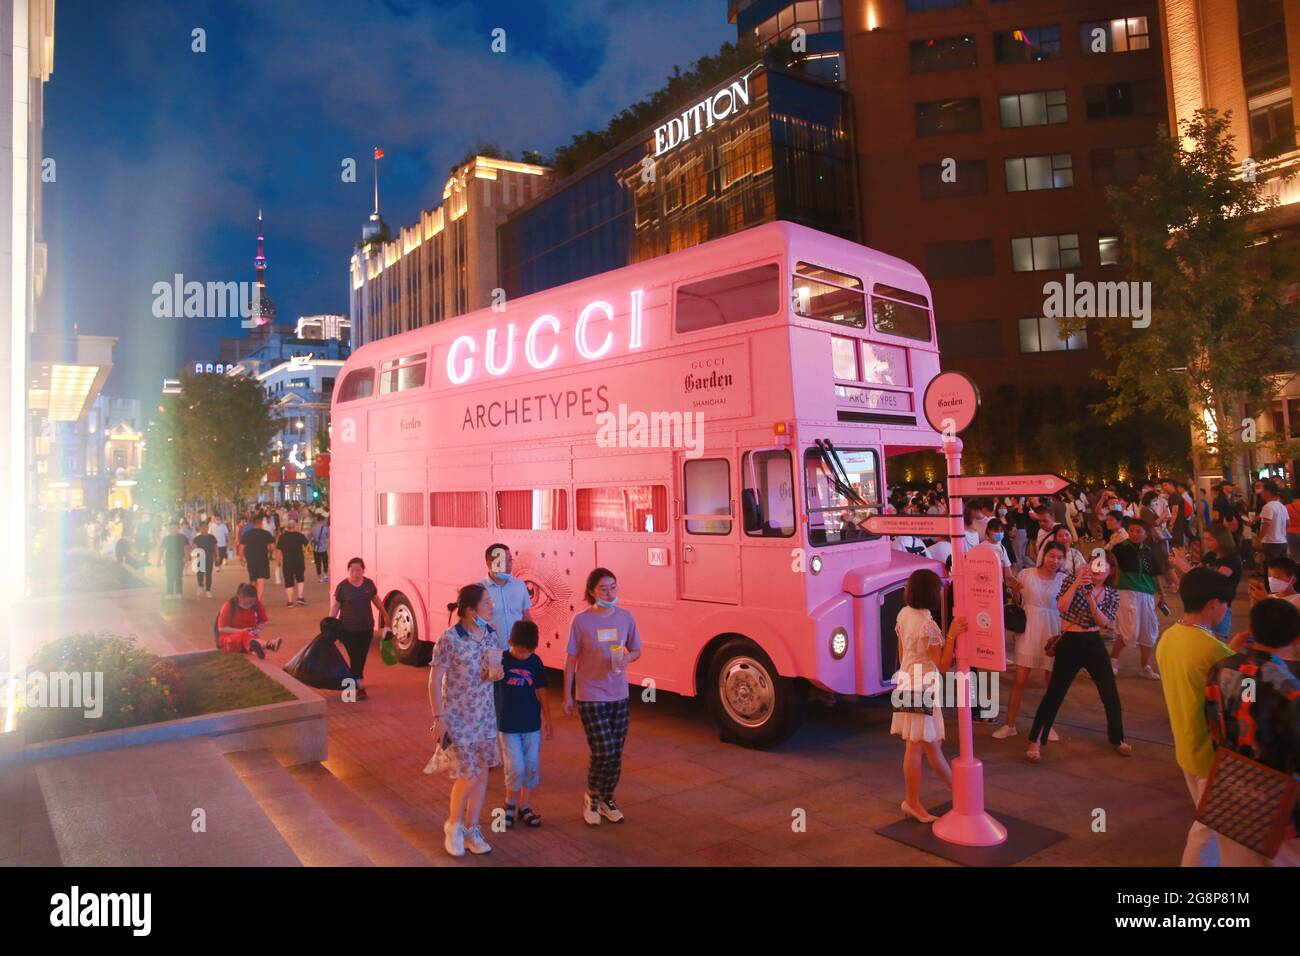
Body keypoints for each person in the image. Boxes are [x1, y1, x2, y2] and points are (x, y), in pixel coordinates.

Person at [1205, 597, 1300, 866]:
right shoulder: (1289, 688)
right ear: (1296, 638)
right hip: (1279, 806)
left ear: (1251, 629)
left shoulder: (1219, 669)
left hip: (1230, 790)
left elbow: (1214, 726)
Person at [1154, 566, 1236, 867]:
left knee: (1211, 825)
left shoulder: (1169, 637)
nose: (1226, 610)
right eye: (1226, 604)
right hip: (1210, 753)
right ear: (1213, 603)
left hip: (1185, 745)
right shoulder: (1214, 652)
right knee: (1207, 830)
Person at [1026, 550, 1132, 762]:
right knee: (1054, 694)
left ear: (1110, 571)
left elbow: (1104, 622)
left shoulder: (1111, 593)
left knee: (1109, 693)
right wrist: (1077, 585)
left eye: (1103, 566)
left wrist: (1090, 597)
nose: (1098, 569)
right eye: (1094, 564)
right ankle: (1035, 740)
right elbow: (1061, 606)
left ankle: (1117, 738)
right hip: (1070, 642)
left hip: (1093, 642)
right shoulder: (1071, 582)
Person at [563, 568, 642, 826]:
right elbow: (571, 659)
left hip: (618, 693)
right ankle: (592, 796)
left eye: (613, 587)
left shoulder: (625, 617)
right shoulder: (582, 621)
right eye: (603, 588)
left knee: (616, 752)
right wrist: (567, 695)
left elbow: (636, 649)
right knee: (604, 750)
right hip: (590, 694)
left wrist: (626, 658)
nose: (609, 592)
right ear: (592, 591)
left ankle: (607, 798)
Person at [430, 584, 502, 857]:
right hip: (457, 718)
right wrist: (439, 718)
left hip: (484, 715)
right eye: (486, 603)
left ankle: (472, 828)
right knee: (468, 775)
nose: (491, 606)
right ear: (471, 610)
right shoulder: (450, 639)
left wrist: (498, 673)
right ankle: (454, 825)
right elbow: (435, 679)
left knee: (482, 773)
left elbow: (492, 674)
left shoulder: (491, 634)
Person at [891, 568, 966, 823]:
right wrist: (953, 634)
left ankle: (961, 795)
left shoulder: (904, 614)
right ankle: (913, 802)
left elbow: (902, 654)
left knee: (927, 746)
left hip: (906, 680)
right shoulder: (928, 625)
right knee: (919, 746)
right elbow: (943, 665)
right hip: (921, 686)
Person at [993, 542, 1065, 740]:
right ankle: (1010, 725)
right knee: (1019, 680)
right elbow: (1017, 601)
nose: (1055, 561)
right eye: (1052, 556)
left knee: (1051, 683)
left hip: (1053, 631)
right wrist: (1015, 590)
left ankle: (1047, 725)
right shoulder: (1027, 573)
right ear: (1043, 555)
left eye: (1059, 557)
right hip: (1029, 630)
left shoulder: (1064, 579)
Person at [494, 620, 552, 829]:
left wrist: (548, 718)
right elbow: (485, 684)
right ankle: (509, 804)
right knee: (515, 766)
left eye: (528, 652)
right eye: (519, 651)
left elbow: (541, 690)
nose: (523, 656)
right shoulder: (499, 660)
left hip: (531, 725)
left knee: (531, 766)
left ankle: (524, 806)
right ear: (510, 642)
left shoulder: (535, 662)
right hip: (507, 724)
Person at [1109, 517, 1170, 680]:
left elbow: (1155, 575)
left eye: (1138, 531)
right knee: (1129, 631)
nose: (1134, 534)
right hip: (1126, 592)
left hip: (1147, 595)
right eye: (1131, 531)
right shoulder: (1120, 549)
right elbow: (1110, 568)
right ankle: (1112, 660)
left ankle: (1145, 667)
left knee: (1149, 631)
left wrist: (1162, 595)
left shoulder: (1148, 552)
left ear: (1146, 534)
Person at [330, 557, 391, 701]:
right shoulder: (343, 587)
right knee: (355, 655)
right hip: (348, 629)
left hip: (366, 628)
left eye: (358, 570)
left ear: (363, 570)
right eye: (352, 570)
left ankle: (354, 681)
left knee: (362, 656)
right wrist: (330, 622)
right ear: (348, 571)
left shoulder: (368, 584)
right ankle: (359, 686)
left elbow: (376, 600)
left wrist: (385, 615)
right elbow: (336, 606)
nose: (355, 573)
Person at [480, 543, 532, 652]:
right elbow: (473, 624)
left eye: (509, 560)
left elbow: (526, 617)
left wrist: (530, 644)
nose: (508, 565)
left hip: (517, 653)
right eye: (503, 561)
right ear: (489, 564)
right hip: (490, 654)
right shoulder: (479, 590)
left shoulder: (520, 585)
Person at [215, 582, 282, 657]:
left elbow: (263, 622)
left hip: (250, 637)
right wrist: (242, 631)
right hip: (229, 639)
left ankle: (255, 649)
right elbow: (221, 629)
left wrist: (257, 630)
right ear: (240, 597)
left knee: (252, 644)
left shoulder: (257, 604)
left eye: (253, 602)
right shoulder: (228, 606)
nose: (251, 604)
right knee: (245, 635)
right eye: (249, 602)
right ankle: (268, 644)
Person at [275, 519, 310, 608]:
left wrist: (278, 561)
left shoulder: (282, 537)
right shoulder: (300, 535)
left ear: (287, 527)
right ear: (295, 526)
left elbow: (278, 551)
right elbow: (308, 546)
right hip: (299, 561)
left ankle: (290, 602)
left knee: (288, 581)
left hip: (287, 562)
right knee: (300, 579)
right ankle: (300, 597)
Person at [1256, 479, 1290, 563]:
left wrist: (1259, 539)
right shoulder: (1282, 506)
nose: (1261, 493)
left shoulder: (1268, 507)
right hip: (1282, 542)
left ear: (1268, 492)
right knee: (1280, 568)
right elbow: (1288, 523)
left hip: (1270, 543)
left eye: (1262, 491)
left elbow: (1266, 524)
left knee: (1271, 569)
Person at [241, 518, 275, 601]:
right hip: (262, 559)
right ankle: (258, 601)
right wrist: (270, 550)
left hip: (251, 559)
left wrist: (241, 558)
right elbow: (272, 546)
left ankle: (252, 598)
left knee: (253, 580)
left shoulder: (247, 534)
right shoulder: (266, 533)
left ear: (253, 524)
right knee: (261, 580)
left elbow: (241, 547)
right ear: (261, 524)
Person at [158, 522, 188, 599]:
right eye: (172, 528)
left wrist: (186, 557)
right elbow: (161, 549)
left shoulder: (183, 538)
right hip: (169, 560)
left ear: (178, 529)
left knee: (178, 576)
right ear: (169, 529)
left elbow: (186, 548)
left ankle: (179, 593)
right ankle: (169, 593)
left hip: (179, 559)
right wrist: (159, 560)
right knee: (169, 576)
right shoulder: (166, 538)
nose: (174, 530)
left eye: (176, 528)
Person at [192, 521, 217, 598]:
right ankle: (200, 586)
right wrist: (194, 558)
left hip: (209, 557)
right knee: (200, 573)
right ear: (200, 528)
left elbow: (215, 547)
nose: (204, 528)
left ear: (208, 528)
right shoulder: (197, 538)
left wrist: (217, 556)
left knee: (208, 574)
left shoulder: (211, 537)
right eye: (202, 527)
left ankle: (208, 590)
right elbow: (194, 548)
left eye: (206, 527)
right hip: (200, 558)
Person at [310, 514, 330, 584]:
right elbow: (328, 537)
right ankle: (325, 575)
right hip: (324, 547)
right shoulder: (326, 528)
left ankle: (320, 578)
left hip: (316, 548)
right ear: (322, 520)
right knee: (325, 562)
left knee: (318, 563)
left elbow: (310, 538)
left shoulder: (313, 528)